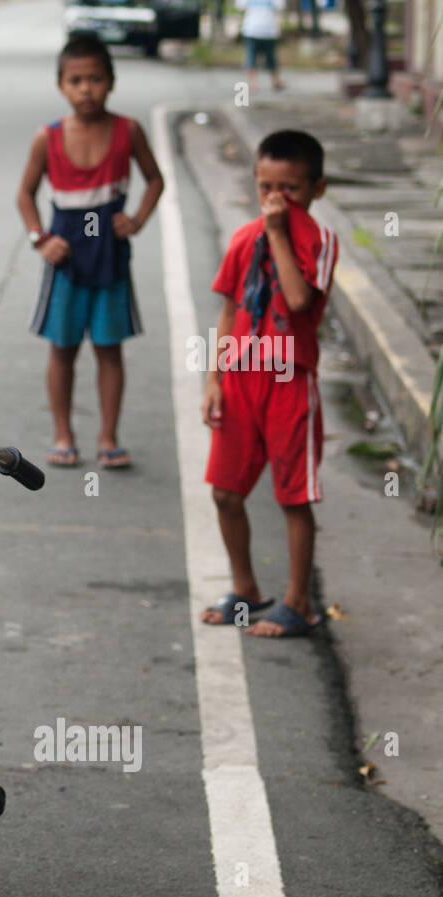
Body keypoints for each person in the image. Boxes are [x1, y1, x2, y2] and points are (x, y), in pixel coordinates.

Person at [199, 130, 337, 637]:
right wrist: (213, 379)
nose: (277, 200)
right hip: (240, 378)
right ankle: (247, 589)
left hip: (288, 381)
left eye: (290, 189)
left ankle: (299, 602)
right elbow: (230, 308)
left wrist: (278, 232)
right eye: (266, 188)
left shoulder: (317, 241)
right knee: (225, 493)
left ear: (316, 189)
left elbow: (299, 300)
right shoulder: (242, 238)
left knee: (292, 496)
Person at [17, 34, 163, 469]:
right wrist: (39, 238)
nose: (86, 89)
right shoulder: (49, 137)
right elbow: (25, 194)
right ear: (61, 85)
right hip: (66, 260)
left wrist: (136, 220)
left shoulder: (128, 131)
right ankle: (63, 433)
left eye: (95, 79)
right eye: (76, 80)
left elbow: (155, 180)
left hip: (111, 258)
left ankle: (108, 436)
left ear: (111, 82)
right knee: (62, 348)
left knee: (109, 347)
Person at [238, 0, 286, 94]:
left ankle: (273, 81)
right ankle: (254, 83)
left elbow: (240, 6)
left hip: (265, 30)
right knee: (253, 58)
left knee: (269, 58)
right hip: (255, 29)